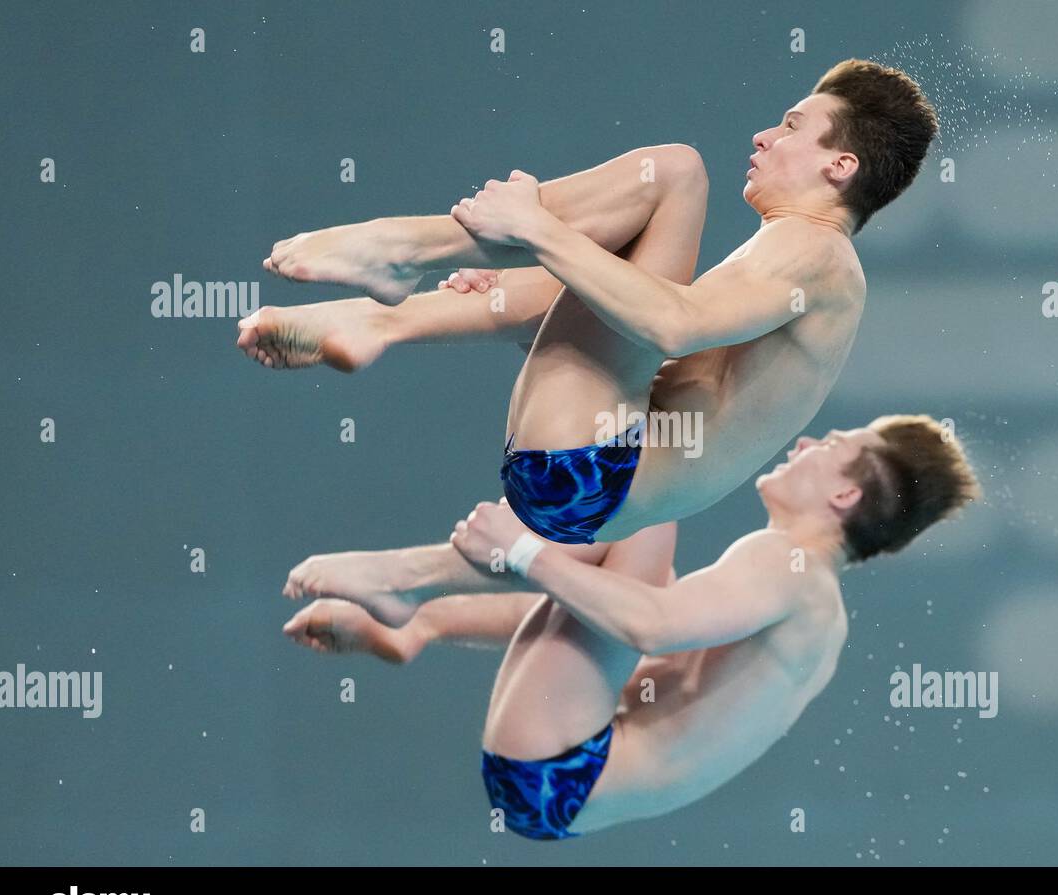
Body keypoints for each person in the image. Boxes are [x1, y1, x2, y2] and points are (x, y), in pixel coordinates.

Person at [240, 60, 940, 546]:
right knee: (607, 275)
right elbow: (665, 362)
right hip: (580, 482)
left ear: (838, 165)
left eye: (791, 127)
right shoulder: (795, 260)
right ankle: (386, 317)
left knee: (673, 174)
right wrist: (534, 287)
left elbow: (673, 326)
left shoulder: (815, 253)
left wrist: (536, 228)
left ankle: (401, 256)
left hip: (597, 468)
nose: (764, 137)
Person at [284, 416, 981, 838]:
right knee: (633, 559)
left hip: (565, 765)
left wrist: (523, 550)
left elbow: (647, 626)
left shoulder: (789, 568)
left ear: (844, 494)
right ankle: (418, 620)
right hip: (561, 786)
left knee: (651, 500)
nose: (803, 440)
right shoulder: (814, 608)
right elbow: (615, 629)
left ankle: (403, 577)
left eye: (829, 442)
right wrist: (450, 618)